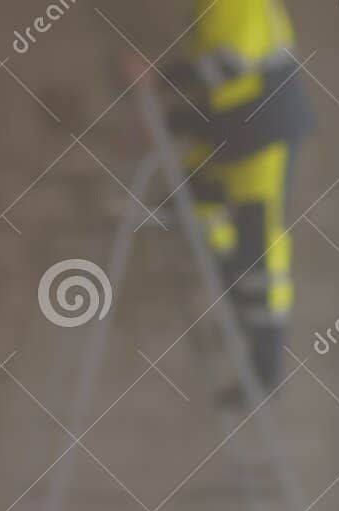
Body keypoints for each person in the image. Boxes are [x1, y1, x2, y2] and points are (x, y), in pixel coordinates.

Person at [122, 0, 313, 389]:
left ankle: (264, 370)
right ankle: (229, 289)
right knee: (200, 212)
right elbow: (222, 91)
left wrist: (159, 76)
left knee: (260, 254)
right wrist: (169, 117)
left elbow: (229, 66)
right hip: (234, 134)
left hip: (263, 137)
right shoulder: (207, 8)